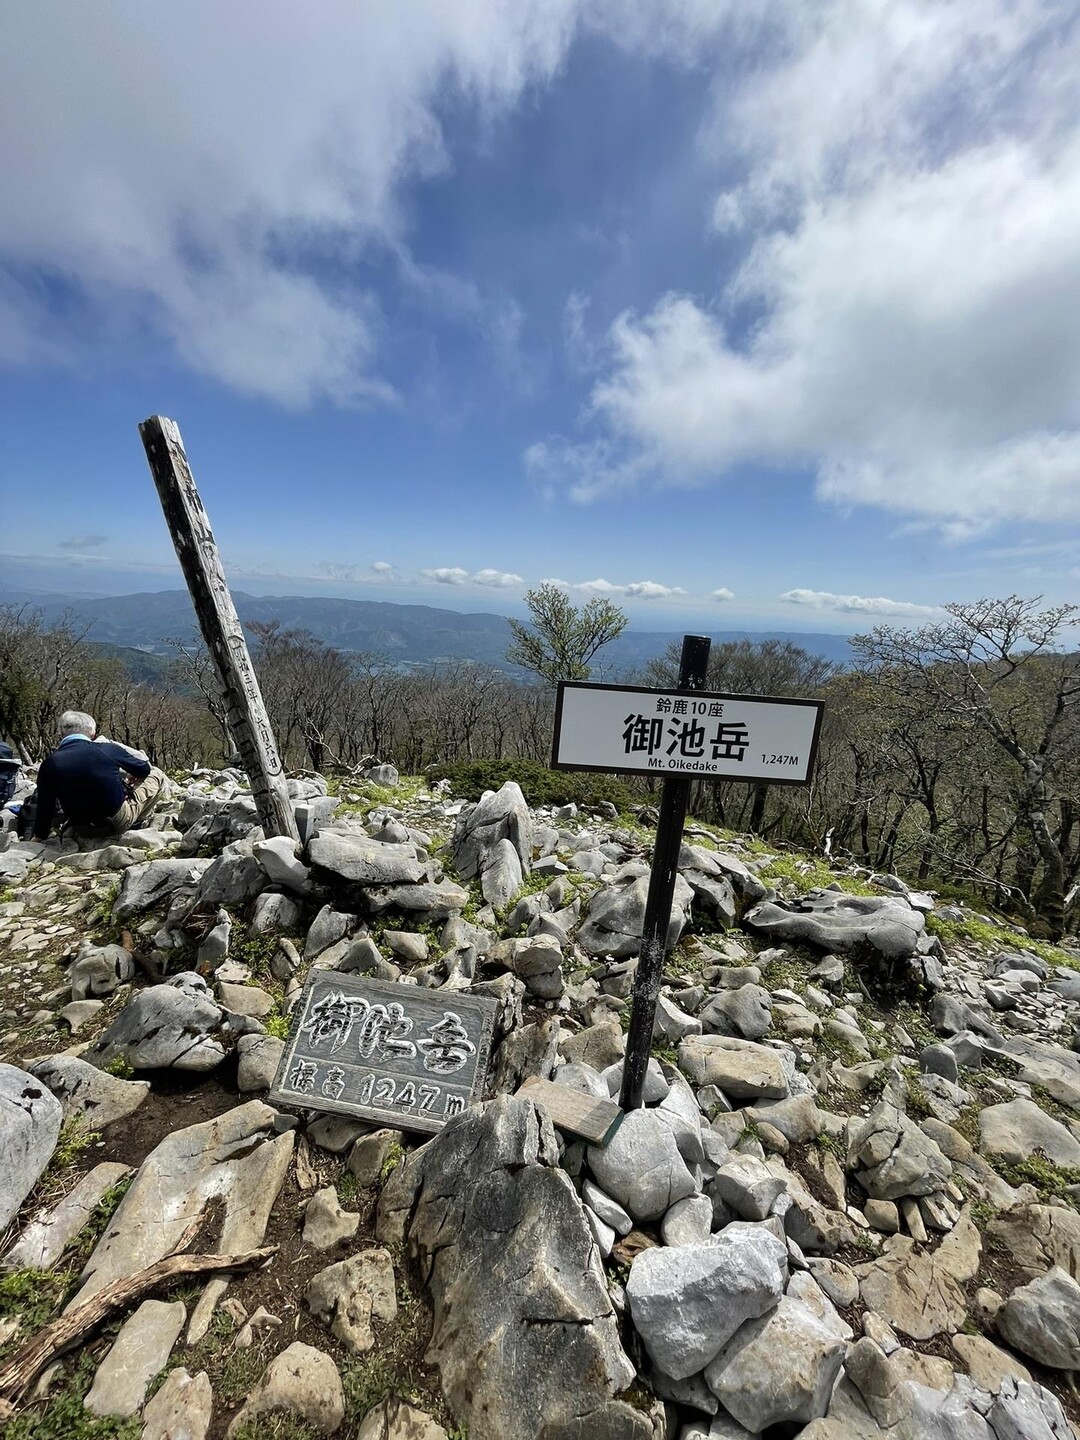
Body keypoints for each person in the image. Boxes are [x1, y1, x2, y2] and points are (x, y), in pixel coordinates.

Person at [32, 711, 168, 841]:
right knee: (156, 773)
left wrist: (40, 835)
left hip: (80, 829)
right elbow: (144, 769)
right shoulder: (107, 749)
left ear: (60, 733)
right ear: (92, 733)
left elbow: (46, 804)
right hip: (115, 824)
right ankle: (137, 822)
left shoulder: (50, 763)